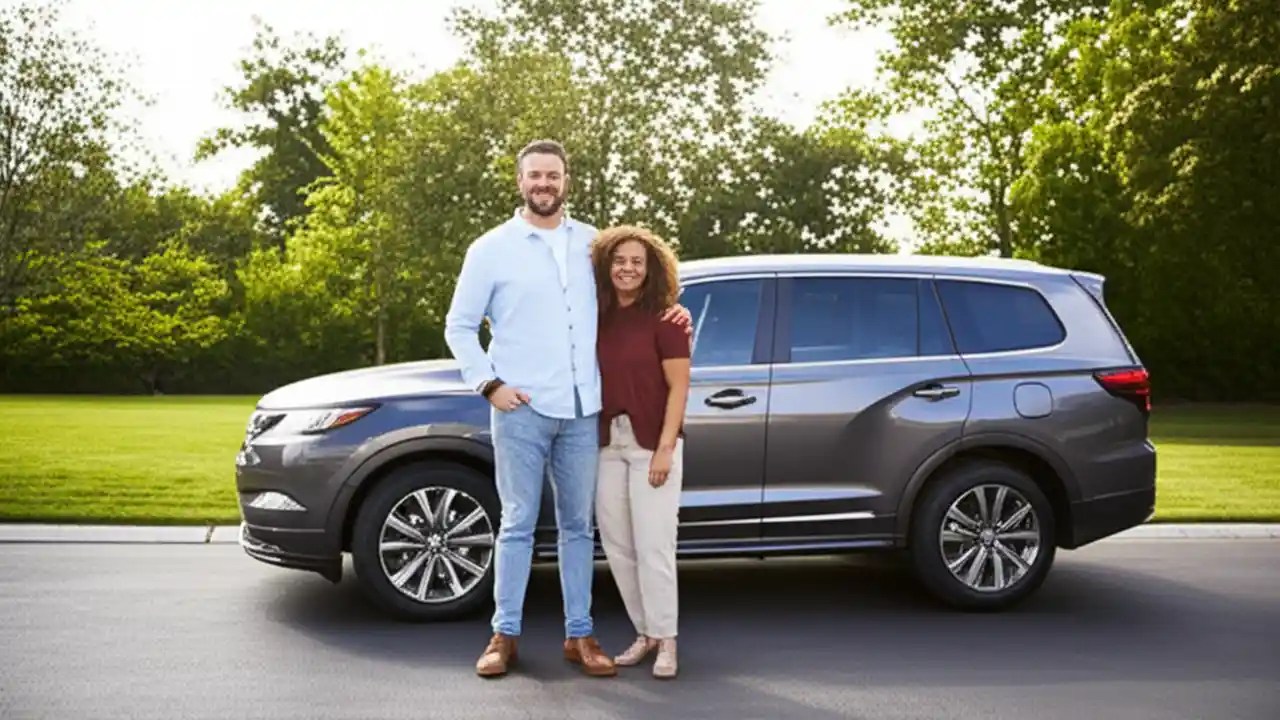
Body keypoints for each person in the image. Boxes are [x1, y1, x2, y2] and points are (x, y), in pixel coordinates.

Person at [444, 140, 688, 679]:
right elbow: (458, 326)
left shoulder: (591, 245)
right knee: (517, 524)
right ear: (520, 182)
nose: (544, 184)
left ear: (565, 181)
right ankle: (504, 636)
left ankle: (580, 635)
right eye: (535, 175)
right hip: (521, 410)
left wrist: (675, 312)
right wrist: (488, 383)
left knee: (579, 528)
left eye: (552, 175)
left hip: (584, 413)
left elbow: (632, 291)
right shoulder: (491, 249)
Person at [591, 225, 691, 680]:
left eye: (636, 262)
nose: (627, 269)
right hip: (607, 445)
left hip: (652, 443)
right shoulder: (597, 316)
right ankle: (645, 632)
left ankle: (667, 640)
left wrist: (665, 450)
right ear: (606, 266)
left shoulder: (668, 318)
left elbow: (679, 387)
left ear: (651, 269)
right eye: (619, 260)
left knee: (654, 546)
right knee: (618, 546)